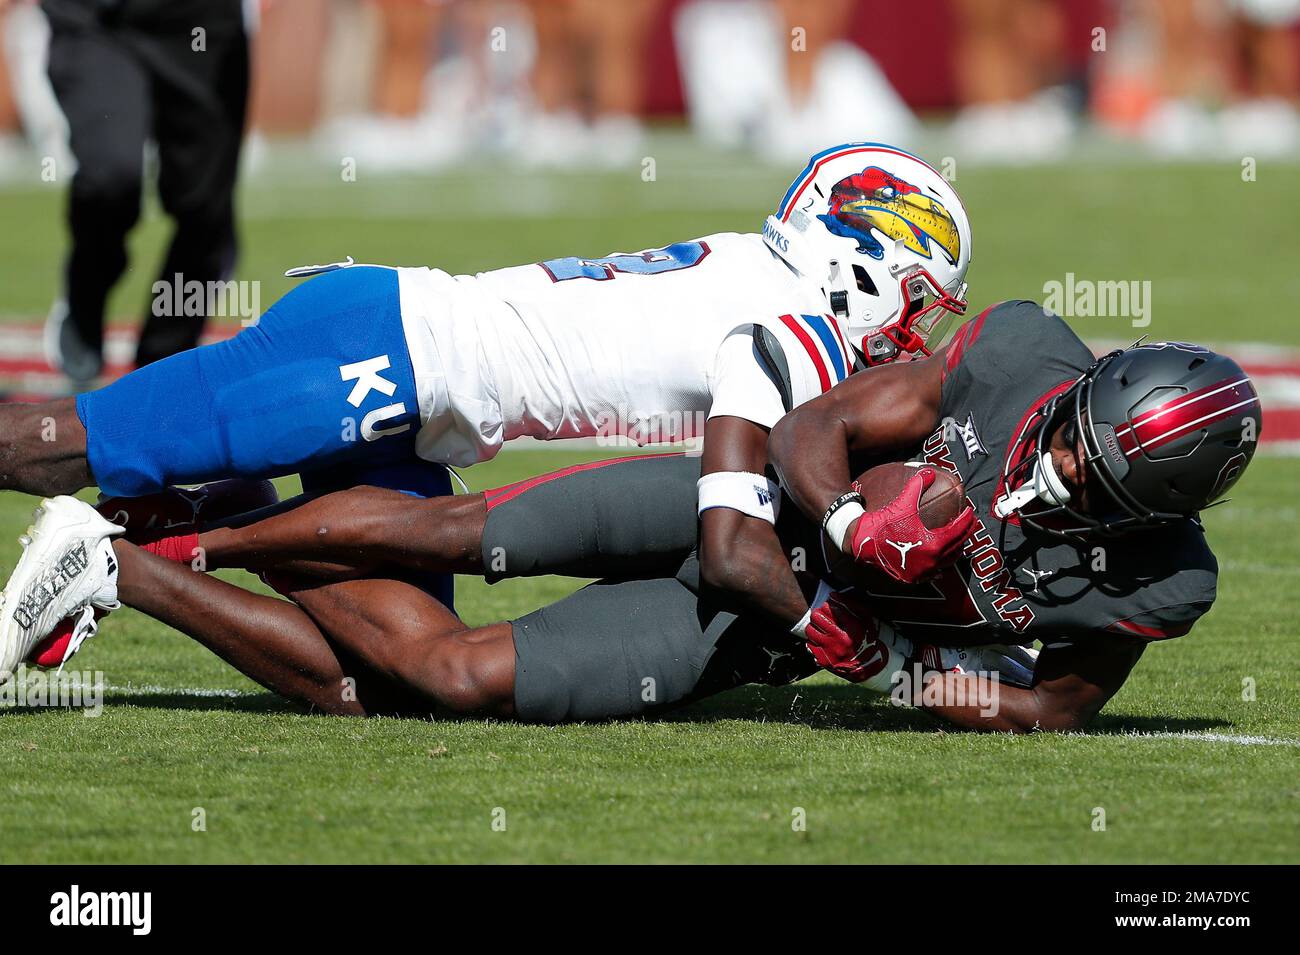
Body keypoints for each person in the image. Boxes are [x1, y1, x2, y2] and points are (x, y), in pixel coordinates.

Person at [0, 305, 1259, 732]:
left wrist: (915, 676)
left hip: (764, 635)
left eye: (1094, 475)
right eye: (1072, 428)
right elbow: (819, 426)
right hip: (752, 505)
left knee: (451, 678)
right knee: (454, 534)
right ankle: (195, 532)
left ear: (1154, 509)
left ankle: (119, 565)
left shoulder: (1162, 585)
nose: (1058, 462)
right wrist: (845, 521)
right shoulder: (1020, 358)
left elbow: (1050, 706)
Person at [0, 142, 973, 644]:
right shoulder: (793, 323)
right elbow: (749, 506)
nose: (912, 327)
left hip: (420, 419)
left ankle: (131, 551)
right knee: (46, 443)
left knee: (384, 680)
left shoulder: (751, 271)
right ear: (864, 258)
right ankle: (182, 503)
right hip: (382, 350)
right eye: (918, 295)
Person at [38, 0, 250, 383]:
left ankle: (163, 362)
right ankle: (85, 295)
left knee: (205, 208)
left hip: (202, 25)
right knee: (111, 174)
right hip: (99, 18)